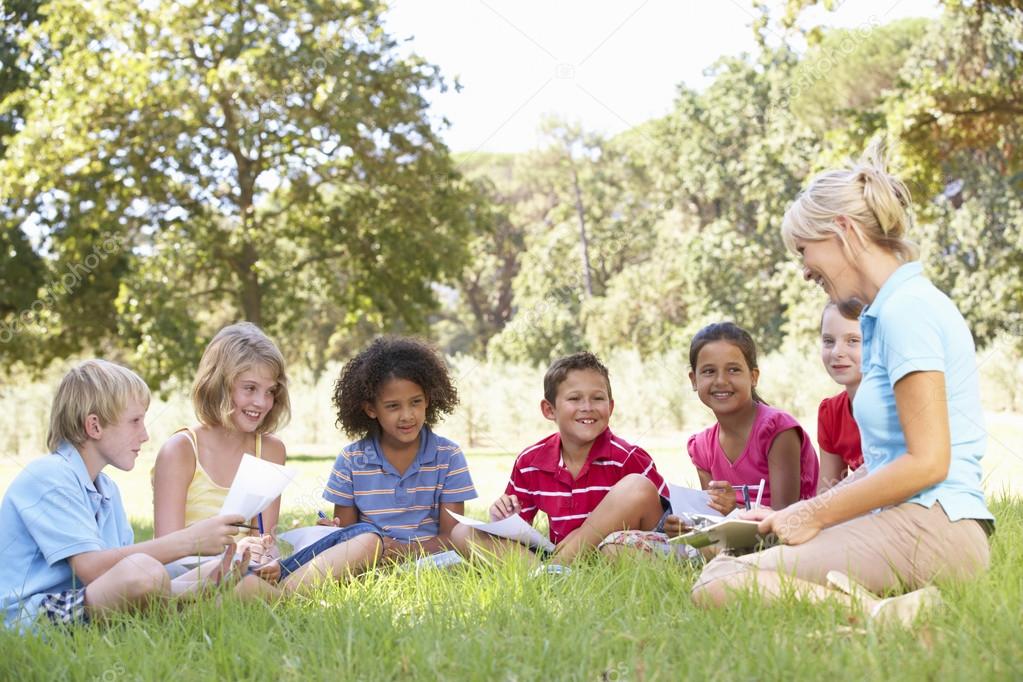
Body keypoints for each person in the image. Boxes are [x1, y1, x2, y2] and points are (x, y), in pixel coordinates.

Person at [691, 141, 994, 625]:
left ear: (843, 232)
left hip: (931, 528)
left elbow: (928, 461)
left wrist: (812, 516)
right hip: (914, 522)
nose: (805, 269)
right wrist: (786, 514)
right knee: (725, 557)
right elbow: (885, 461)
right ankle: (884, 609)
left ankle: (883, 618)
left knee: (718, 581)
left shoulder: (906, 311)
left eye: (805, 251)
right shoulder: (890, 310)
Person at [0, 360, 253, 632]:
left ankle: (191, 604)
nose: (144, 435)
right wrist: (190, 541)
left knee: (189, 571)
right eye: (135, 421)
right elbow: (94, 569)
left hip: (80, 603)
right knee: (145, 570)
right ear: (94, 426)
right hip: (27, 615)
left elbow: (119, 574)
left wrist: (202, 581)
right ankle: (176, 615)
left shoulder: (107, 489)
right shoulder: (50, 476)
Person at [153, 322, 380, 591]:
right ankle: (269, 594)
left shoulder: (271, 450)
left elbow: (264, 538)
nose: (261, 403)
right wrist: (233, 554)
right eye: (249, 388)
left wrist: (267, 558)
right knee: (242, 582)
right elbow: (166, 551)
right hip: (195, 571)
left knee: (367, 538)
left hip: (246, 568)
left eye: (270, 391)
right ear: (218, 385)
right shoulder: (181, 449)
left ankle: (272, 592)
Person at [451, 351, 669, 566]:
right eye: (574, 398)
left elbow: (665, 525)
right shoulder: (530, 462)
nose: (587, 407)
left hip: (612, 551)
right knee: (463, 532)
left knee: (636, 487)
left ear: (610, 407)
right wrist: (504, 516)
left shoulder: (629, 458)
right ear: (549, 410)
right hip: (555, 552)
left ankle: (555, 572)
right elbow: (516, 530)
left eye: (598, 398)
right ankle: (548, 573)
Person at [321, 336, 477, 563]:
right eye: (393, 406)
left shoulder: (448, 456)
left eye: (415, 402)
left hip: (433, 565)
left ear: (427, 400)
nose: (407, 415)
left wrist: (401, 551)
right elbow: (347, 536)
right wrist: (329, 535)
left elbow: (452, 537)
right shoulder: (351, 460)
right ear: (371, 409)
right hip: (369, 564)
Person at [684, 322, 819, 515]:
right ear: (694, 380)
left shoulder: (777, 431)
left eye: (733, 370)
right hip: (735, 540)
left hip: (794, 535)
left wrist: (735, 511)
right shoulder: (702, 447)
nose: (721, 381)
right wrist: (688, 526)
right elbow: (714, 517)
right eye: (709, 371)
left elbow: (784, 518)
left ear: (753, 377)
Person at [817, 302, 864, 493]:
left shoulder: (896, 404)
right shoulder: (831, 413)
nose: (837, 352)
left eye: (853, 340)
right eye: (829, 341)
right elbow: (826, 493)